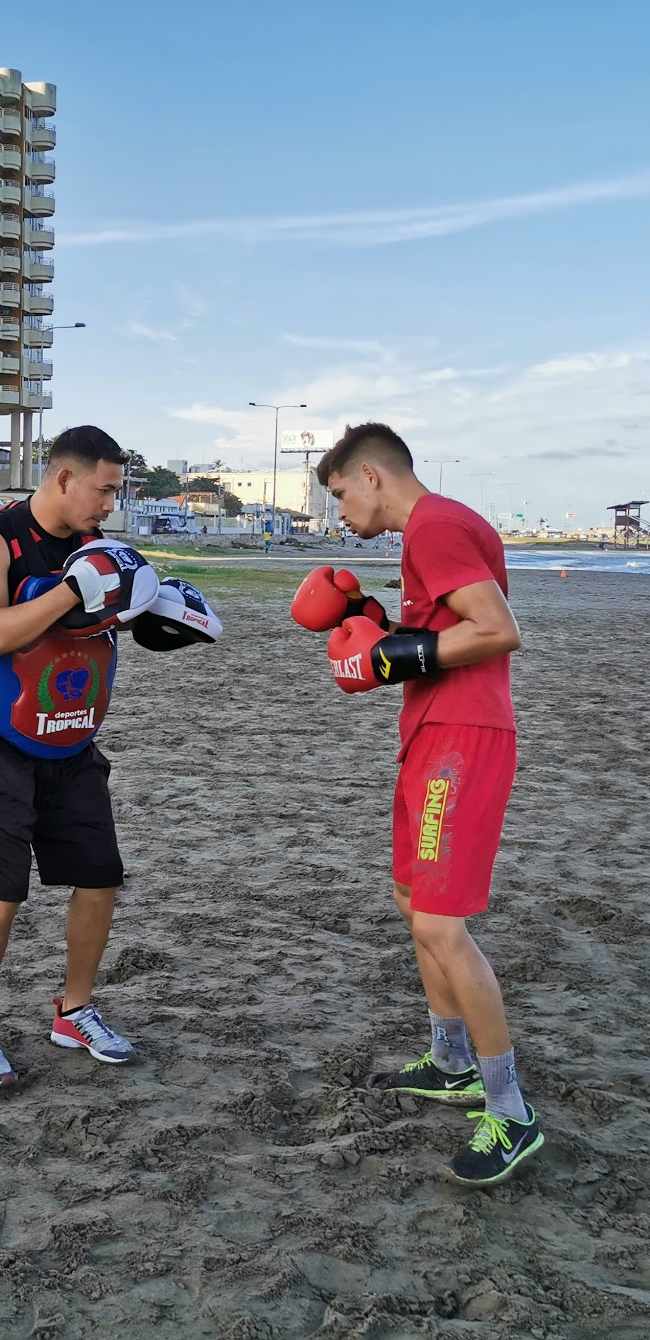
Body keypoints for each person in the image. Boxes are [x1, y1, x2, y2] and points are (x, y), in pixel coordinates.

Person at [295, 421, 543, 1186]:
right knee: (410, 898)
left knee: (440, 920)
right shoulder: (437, 530)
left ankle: (511, 1111)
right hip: (435, 731)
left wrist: (403, 651)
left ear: (372, 476)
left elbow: (498, 629)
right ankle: (450, 1060)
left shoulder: (433, 525)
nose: (338, 512)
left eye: (338, 494)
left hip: (463, 738)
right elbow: (442, 625)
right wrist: (374, 620)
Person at [0, 427, 150, 1086]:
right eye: (104, 489)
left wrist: (163, 613)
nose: (109, 505)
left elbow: (121, 614)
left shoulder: (100, 548)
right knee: (3, 893)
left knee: (100, 877)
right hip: (0, 741)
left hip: (72, 735)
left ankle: (74, 1010)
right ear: (65, 477)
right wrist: (71, 590)